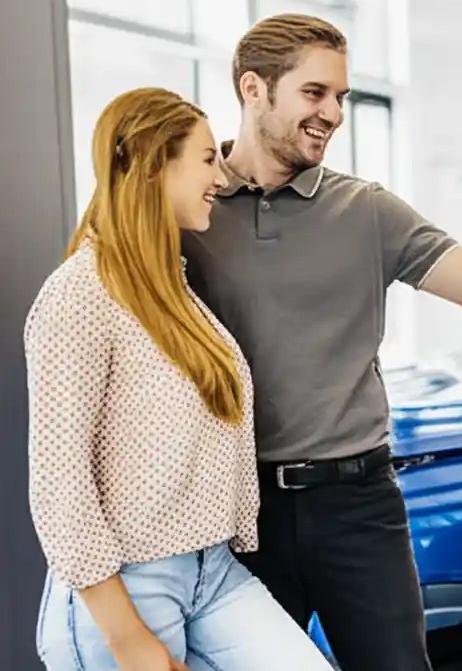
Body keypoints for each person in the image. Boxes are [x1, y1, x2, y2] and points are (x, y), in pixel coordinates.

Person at [179, 13, 462, 671]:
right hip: (240, 512)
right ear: (254, 89)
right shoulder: (192, 208)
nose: (334, 113)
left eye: (342, 96)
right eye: (315, 93)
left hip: (358, 509)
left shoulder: (367, 211)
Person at [26, 87, 332, 671]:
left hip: (211, 573)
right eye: (205, 158)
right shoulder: (80, 294)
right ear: (150, 166)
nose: (221, 173)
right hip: (122, 589)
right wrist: (125, 637)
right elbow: (58, 487)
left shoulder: (174, 291)